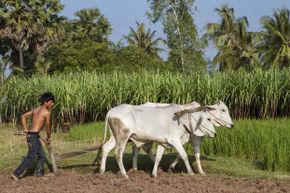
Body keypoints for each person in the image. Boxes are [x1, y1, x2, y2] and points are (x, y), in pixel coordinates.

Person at [12, 92, 55, 181]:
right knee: (31, 156)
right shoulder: (47, 113)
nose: (52, 104)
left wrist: (25, 129)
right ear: (46, 102)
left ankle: (39, 174)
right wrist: (48, 137)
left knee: (42, 155)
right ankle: (16, 173)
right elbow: (48, 127)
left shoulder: (36, 109)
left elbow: (23, 116)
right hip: (33, 136)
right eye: (51, 102)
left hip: (33, 135)